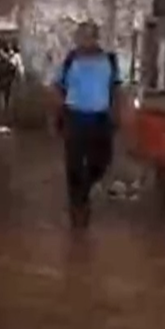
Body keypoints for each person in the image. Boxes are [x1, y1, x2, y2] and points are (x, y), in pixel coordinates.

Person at [55, 22, 121, 228]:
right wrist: (60, 112)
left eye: (89, 36)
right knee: (74, 164)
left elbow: (116, 89)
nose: (85, 40)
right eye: (82, 36)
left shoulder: (109, 60)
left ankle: (84, 190)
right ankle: (78, 206)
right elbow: (57, 86)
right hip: (75, 116)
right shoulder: (70, 60)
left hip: (101, 117)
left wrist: (117, 113)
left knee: (102, 161)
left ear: (96, 38)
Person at [0, 41, 20, 123]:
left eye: (2, 53)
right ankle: (3, 120)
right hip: (4, 85)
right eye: (0, 53)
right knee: (3, 103)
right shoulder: (1, 63)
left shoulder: (9, 63)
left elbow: (13, 74)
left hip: (8, 86)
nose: (1, 55)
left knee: (7, 103)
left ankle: (6, 120)